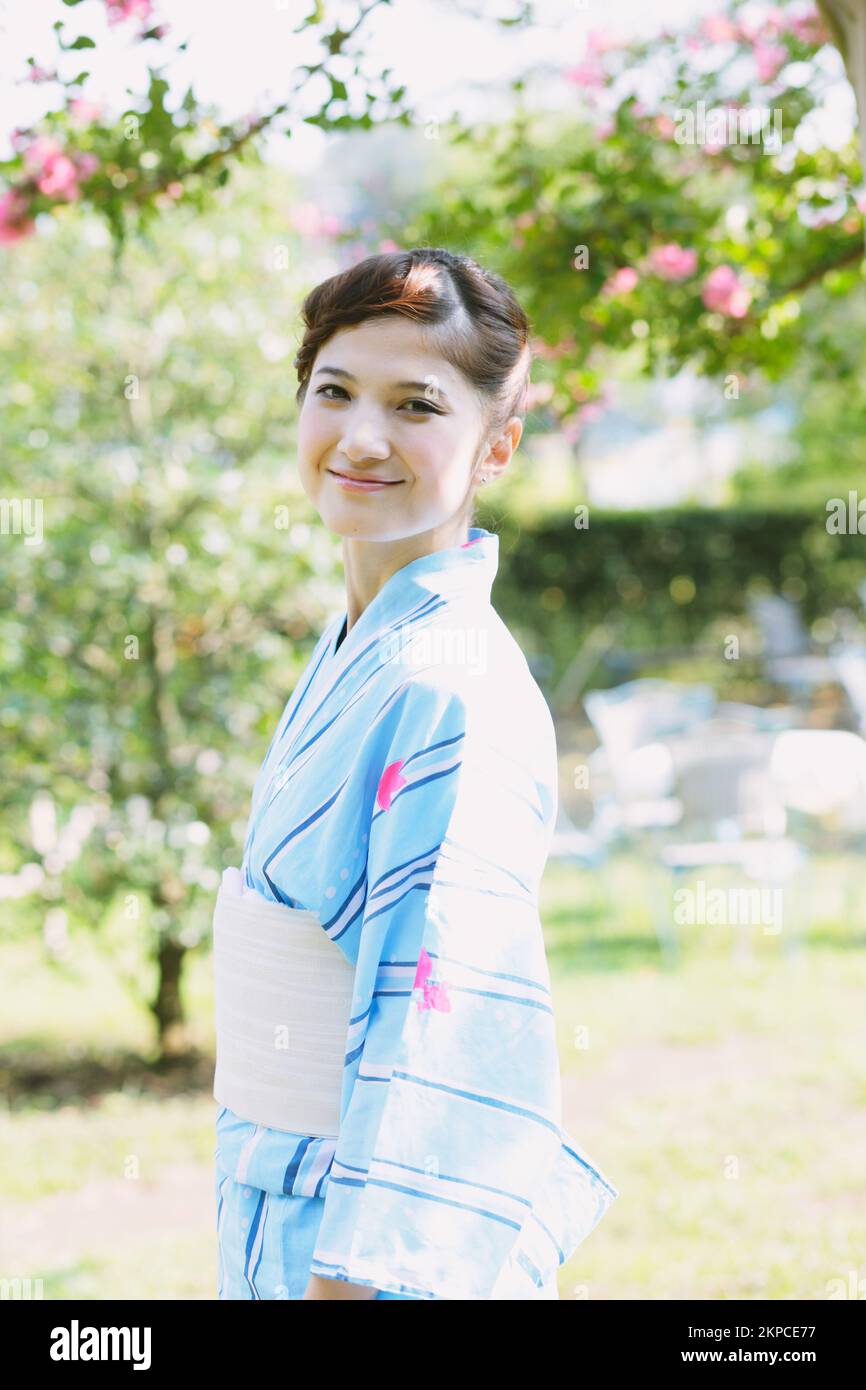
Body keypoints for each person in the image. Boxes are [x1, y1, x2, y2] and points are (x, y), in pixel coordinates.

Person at [213, 246, 618, 1300]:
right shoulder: (363, 647)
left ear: (496, 448)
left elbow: (436, 1022)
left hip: (371, 1244)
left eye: (415, 405)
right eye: (333, 391)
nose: (360, 437)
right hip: (280, 1197)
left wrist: (351, 1285)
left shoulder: (447, 686)